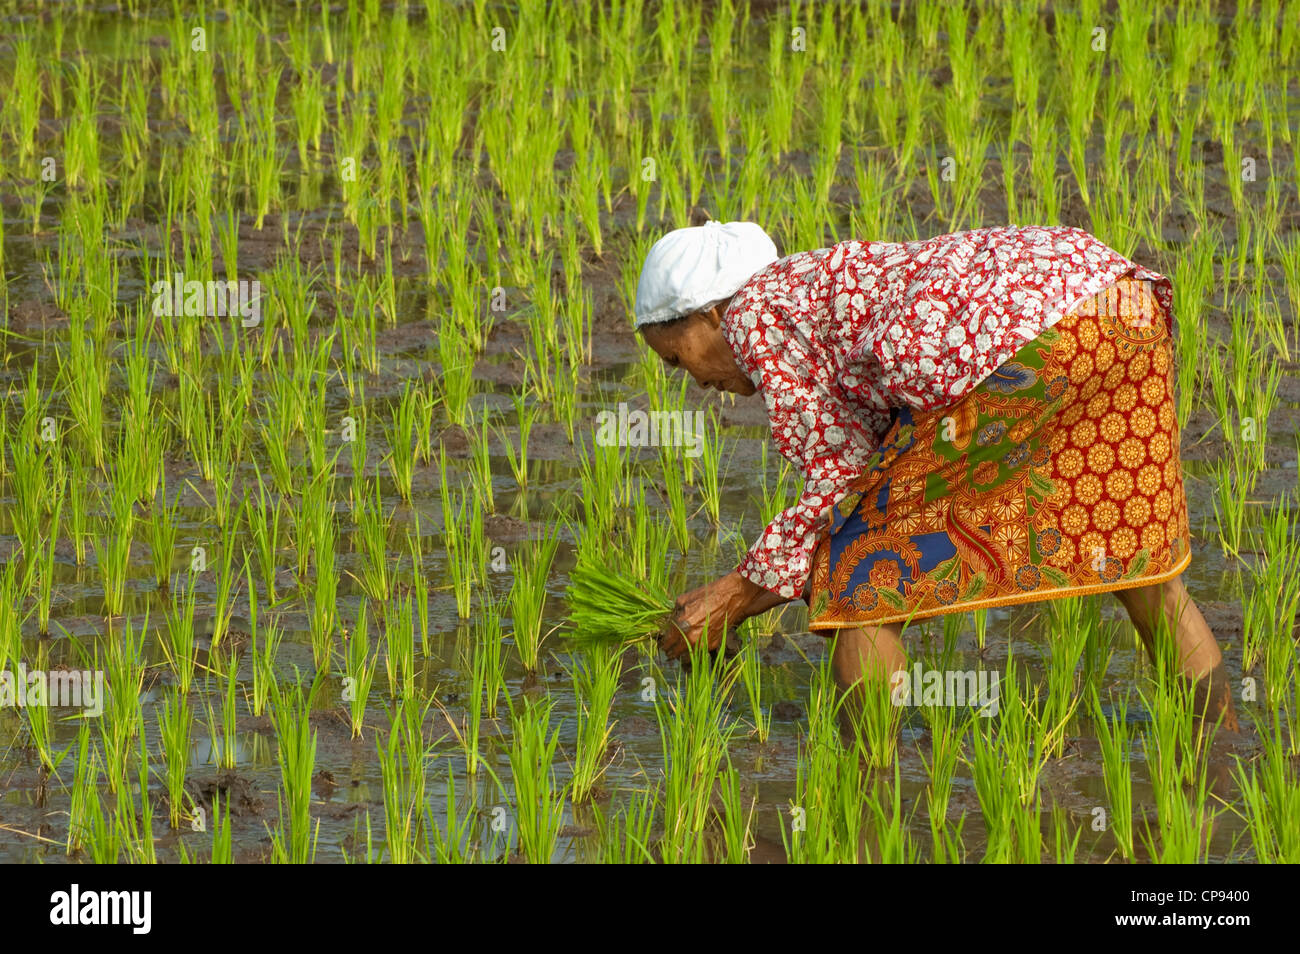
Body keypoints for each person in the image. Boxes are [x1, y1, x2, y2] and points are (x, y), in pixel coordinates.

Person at [634, 220, 1238, 736]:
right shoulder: (806, 287)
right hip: (1119, 307)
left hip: (1023, 341)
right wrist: (746, 596)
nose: (693, 380)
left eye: (676, 357)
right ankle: (1218, 755)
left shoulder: (755, 319)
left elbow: (840, 480)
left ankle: (866, 796)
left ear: (712, 313)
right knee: (1135, 565)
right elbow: (876, 454)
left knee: (859, 572)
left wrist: (736, 595)